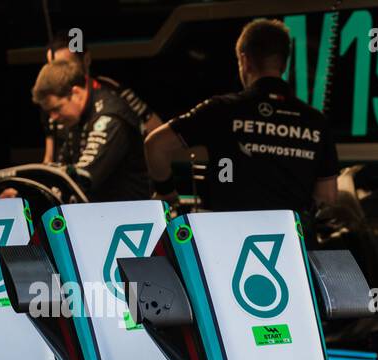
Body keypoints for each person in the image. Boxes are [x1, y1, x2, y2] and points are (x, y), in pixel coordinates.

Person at [145, 18, 338, 215]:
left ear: (245, 61)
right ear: (284, 63)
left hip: (230, 238)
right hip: (291, 240)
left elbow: (155, 144)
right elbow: (327, 197)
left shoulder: (220, 109)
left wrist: (167, 194)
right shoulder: (316, 122)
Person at [30, 58, 149, 202]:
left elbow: (81, 179)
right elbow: (61, 170)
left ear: (76, 93)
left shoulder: (109, 117)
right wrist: (24, 190)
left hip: (130, 217)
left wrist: (33, 197)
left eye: (56, 109)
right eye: (48, 112)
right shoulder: (77, 118)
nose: (52, 118)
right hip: (102, 215)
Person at [41, 34, 162, 166]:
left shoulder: (114, 92)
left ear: (86, 60)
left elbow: (157, 132)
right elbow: (49, 157)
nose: (57, 72)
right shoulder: (52, 102)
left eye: (64, 65)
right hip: (72, 179)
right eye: (52, 66)